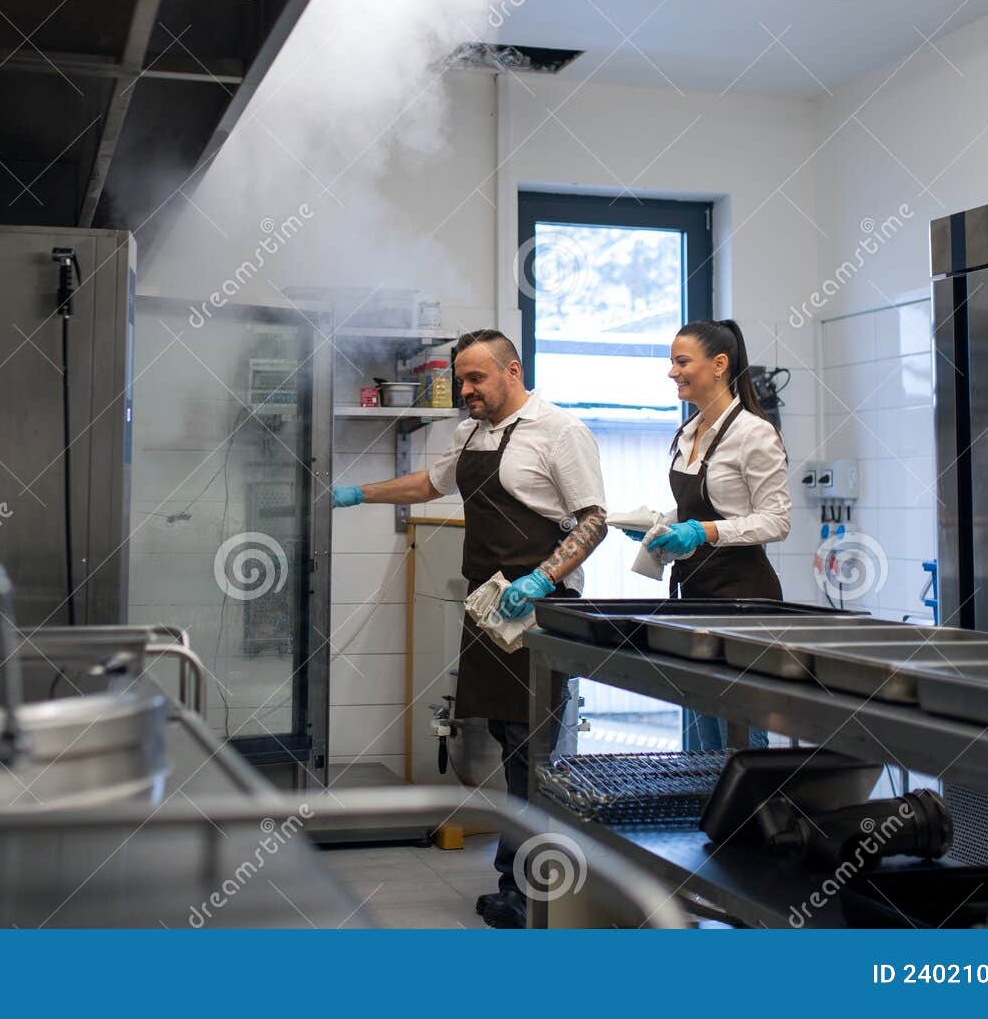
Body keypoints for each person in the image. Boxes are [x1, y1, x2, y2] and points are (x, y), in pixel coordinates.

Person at [331, 328, 607, 929]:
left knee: (533, 748)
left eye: (476, 377)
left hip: (541, 608)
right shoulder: (471, 432)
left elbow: (593, 521)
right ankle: (521, 880)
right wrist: (358, 494)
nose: (465, 389)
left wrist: (541, 579)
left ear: (513, 371)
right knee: (511, 743)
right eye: (461, 379)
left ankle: (533, 888)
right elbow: (433, 484)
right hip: (488, 605)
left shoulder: (561, 431)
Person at [628, 318, 790, 750]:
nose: (671, 372)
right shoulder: (688, 431)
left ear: (719, 364)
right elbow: (692, 510)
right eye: (671, 362)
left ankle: (754, 818)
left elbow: (776, 520)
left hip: (743, 603)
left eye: (682, 361)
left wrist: (701, 532)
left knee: (742, 736)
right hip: (694, 598)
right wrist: (657, 528)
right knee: (705, 736)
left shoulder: (754, 433)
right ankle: (717, 817)